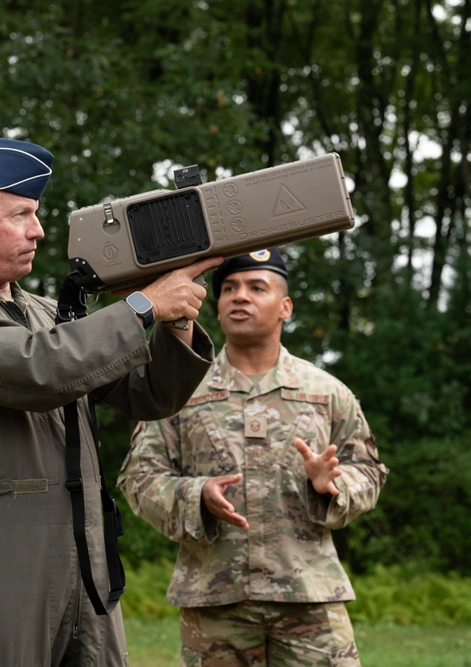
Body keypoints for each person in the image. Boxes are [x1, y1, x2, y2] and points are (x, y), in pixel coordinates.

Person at [0, 136, 222, 666]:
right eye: (20, 215)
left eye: (36, 215)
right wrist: (141, 306)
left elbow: (150, 394)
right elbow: (37, 370)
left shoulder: (44, 314)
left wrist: (174, 317)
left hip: (84, 557)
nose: (38, 230)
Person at [117, 248, 389, 666]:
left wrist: (333, 486)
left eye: (256, 287)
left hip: (308, 598)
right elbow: (139, 476)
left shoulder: (326, 392)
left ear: (285, 307)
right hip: (214, 600)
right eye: (228, 288)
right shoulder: (179, 390)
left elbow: (369, 471)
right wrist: (196, 494)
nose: (239, 297)